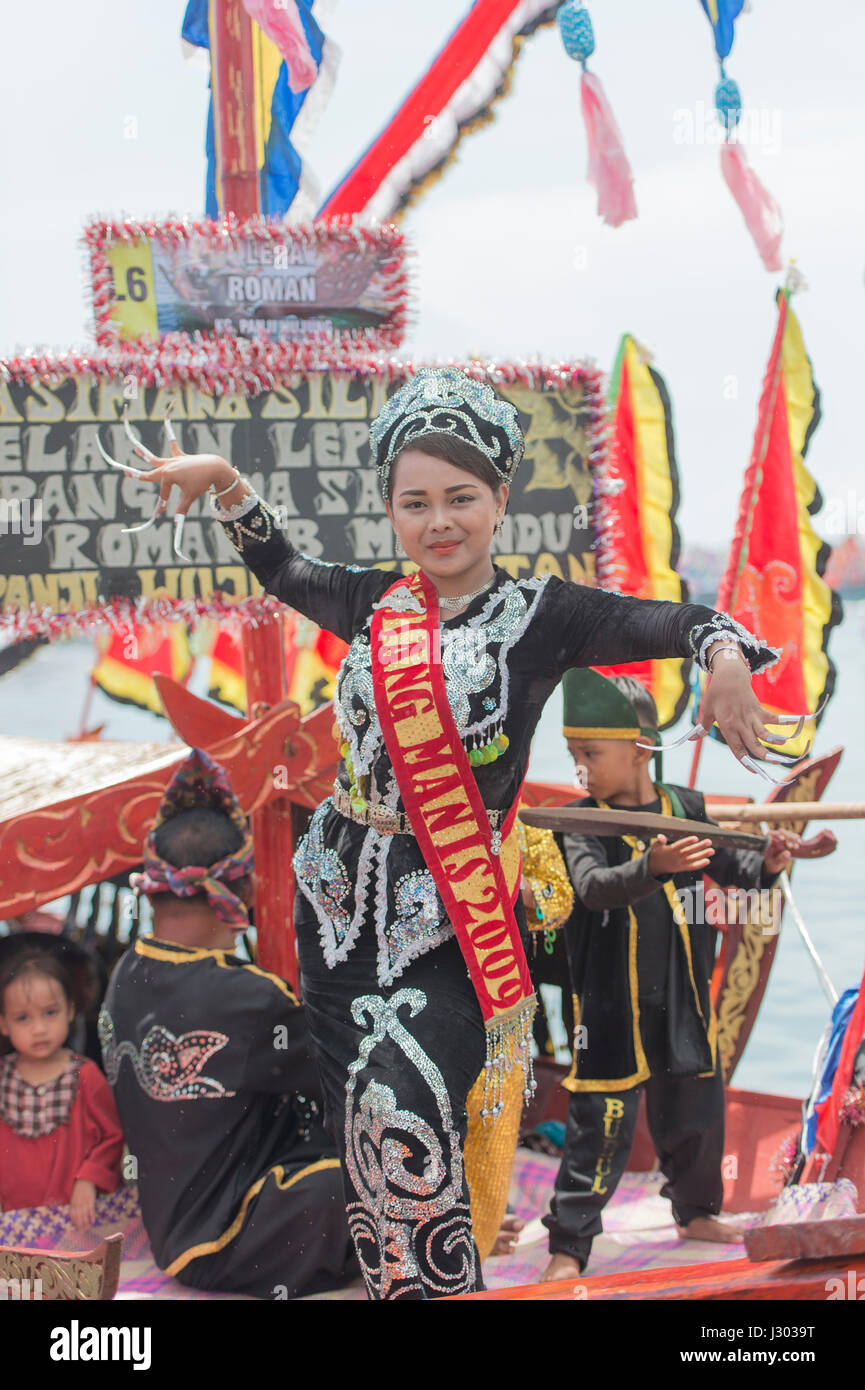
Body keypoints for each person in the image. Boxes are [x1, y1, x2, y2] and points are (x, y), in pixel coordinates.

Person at [125, 366, 793, 1300]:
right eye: (415, 503)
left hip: (449, 916)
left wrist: (722, 657)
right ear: (392, 511)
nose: (438, 522)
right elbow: (281, 567)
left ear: (499, 500)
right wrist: (225, 483)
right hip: (339, 913)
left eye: (459, 499)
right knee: (365, 1131)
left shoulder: (543, 616)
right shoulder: (372, 606)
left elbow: (681, 619)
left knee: (411, 1101)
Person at [540, 668, 803, 1280]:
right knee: (598, 1126)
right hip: (609, 1004)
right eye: (574, 754)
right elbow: (592, 890)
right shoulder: (581, 821)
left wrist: (769, 859)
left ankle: (696, 1211)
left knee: (696, 1110)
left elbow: (734, 866)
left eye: (591, 753)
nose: (580, 767)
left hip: (681, 994)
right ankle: (569, 1246)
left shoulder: (685, 809)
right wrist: (652, 866)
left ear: (640, 751)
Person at [99, 747, 357, 1300]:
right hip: (233, 1238)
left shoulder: (125, 973)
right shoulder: (246, 996)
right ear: (236, 893)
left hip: (173, 1232)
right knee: (369, 1162)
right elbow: (342, 1072)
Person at [0, 950, 123, 1228]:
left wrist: (89, 1178)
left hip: (76, 1219)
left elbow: (112, 1136)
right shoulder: (2, 1076)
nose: (39, 1028)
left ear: (70, 1010)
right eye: (23, 1018)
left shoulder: (85, 1076)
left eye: (50, 1013)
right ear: (3, 1023)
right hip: (18, 1222)